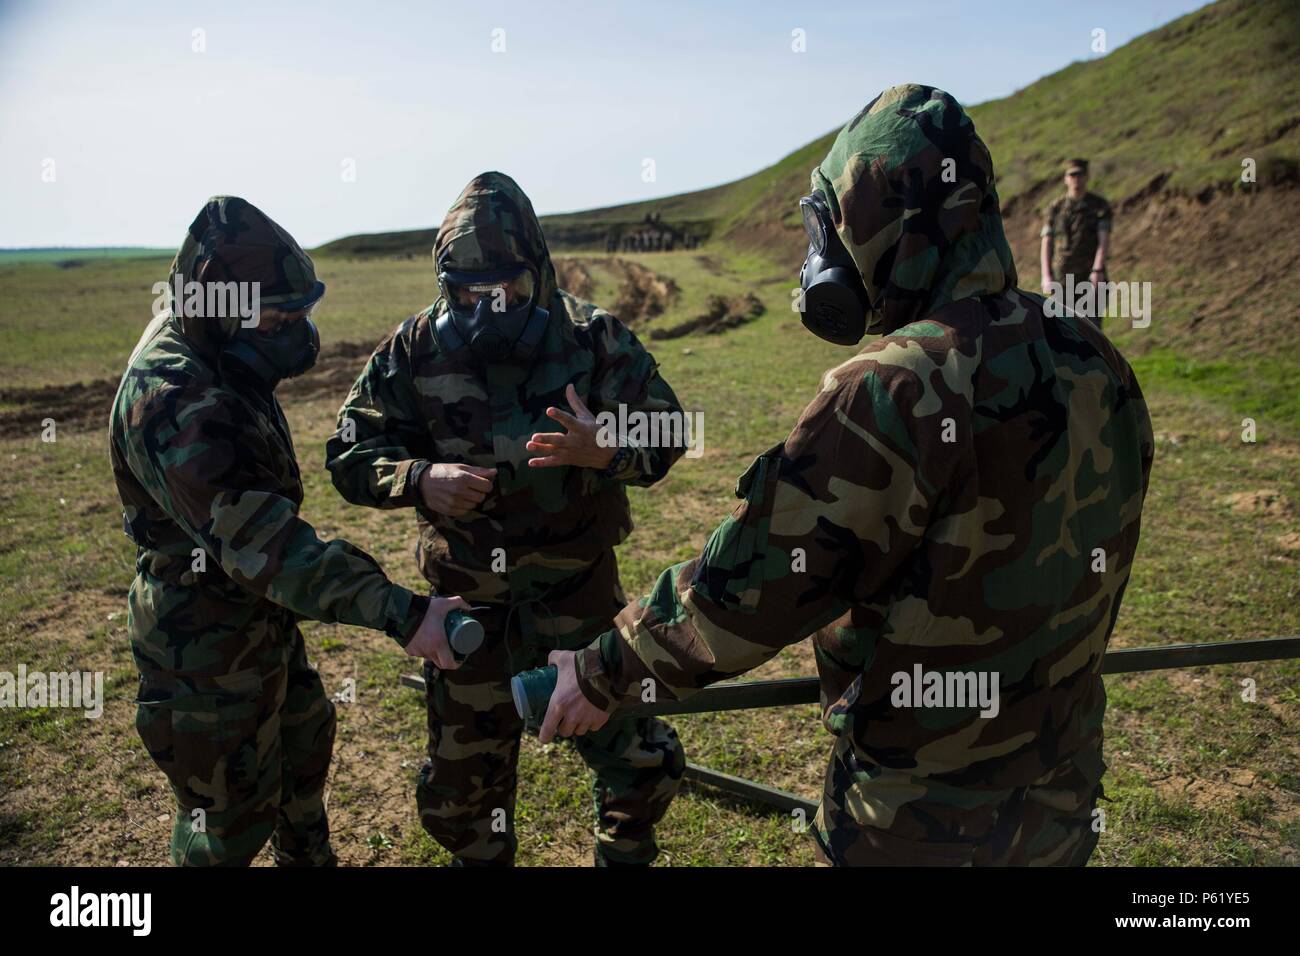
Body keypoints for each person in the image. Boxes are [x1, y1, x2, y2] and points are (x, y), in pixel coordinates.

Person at [543, 85, 1155, 866]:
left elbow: (750, 591)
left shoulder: (892, 384)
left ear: (878, 225)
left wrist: (601, 669)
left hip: (919, 820)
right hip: (1060, 794)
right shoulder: (1097, 359)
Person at [325, 172, 688, 866]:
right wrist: (418, 478)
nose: (486, 305)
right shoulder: (414, 349)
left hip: (576, 599)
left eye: (506, 287)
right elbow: (348, 450)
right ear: (445, 281)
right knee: (463, 796)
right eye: (465, 290)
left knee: (640, 766)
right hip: (466, 611)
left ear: (538, 272)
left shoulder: (592, 338)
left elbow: (671, 430)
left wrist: (607, 448)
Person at [110, 197, 458, 866]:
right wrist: (402, 612)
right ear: (218, 308)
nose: (298, 333)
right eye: (281, 318)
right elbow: (266, 545)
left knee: (301, 753)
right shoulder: (174, 397)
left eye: (303, 313)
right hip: (200, 639)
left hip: (255, 615)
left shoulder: (215, 345)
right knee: (228, 817)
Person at [1040, 158, 1113, 328]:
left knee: (1092, 330)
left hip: (1089, 277)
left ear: (1087, 176)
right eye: (1072, 175)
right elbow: (1046, 241)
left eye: (1080, 174)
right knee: (1060, 330)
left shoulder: (1098, 206)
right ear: (1066, 179)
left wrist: (1098, 269)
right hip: (1061, 278)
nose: (1076, 179)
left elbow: (1104, 239)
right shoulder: (1055, 207)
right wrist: (1046, 275)